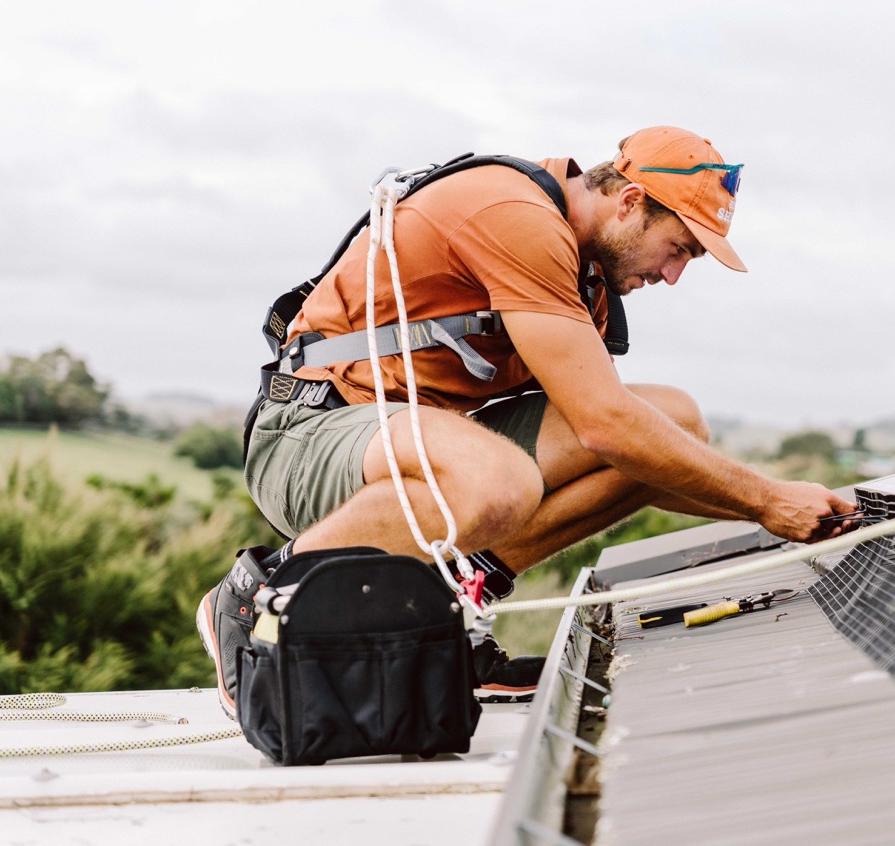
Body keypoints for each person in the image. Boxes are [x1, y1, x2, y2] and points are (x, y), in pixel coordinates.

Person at [197, 125, 859, 719]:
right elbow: (604, 425)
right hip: (307, 432)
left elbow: (636, 454)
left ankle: (447, 605)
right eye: (678, 248)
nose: (673, 275)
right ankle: (258, 592)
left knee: (673, 424)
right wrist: (767, 500)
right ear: (629, 202)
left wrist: (789, 513)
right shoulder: (515, 214)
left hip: (411, 450)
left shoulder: (587, 283)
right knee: (500, 480)